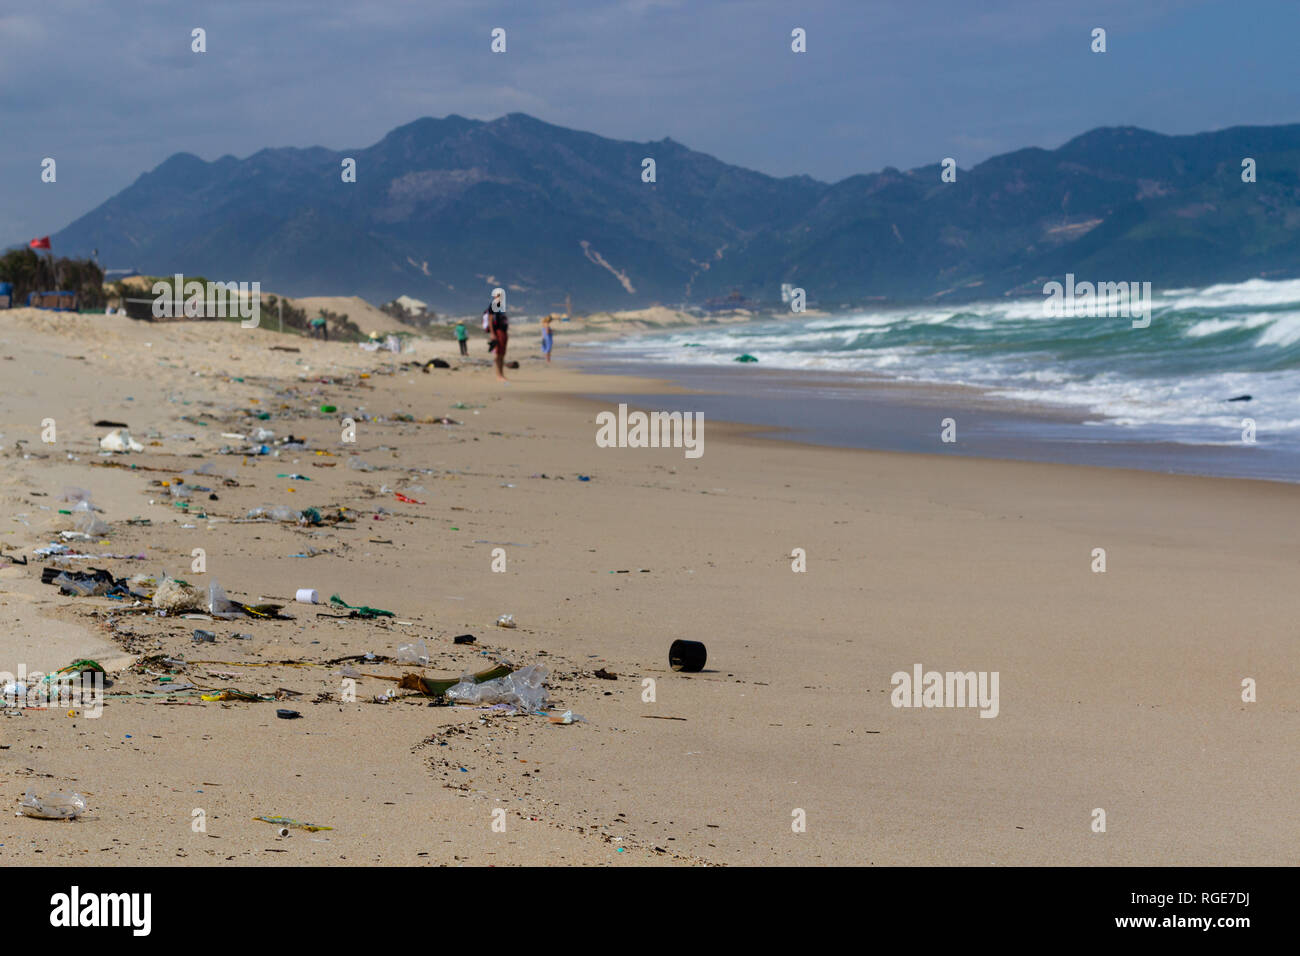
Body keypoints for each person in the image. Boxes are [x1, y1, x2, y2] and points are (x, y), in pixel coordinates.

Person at [486, 302, 509, 381]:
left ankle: (501, 374)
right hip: (498, 332)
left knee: (502, 354)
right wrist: (492, 333)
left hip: (503, 332)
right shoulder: (494, 305)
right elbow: (490, 319)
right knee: (498, 354)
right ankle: (499, 375)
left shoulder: (501, 307)